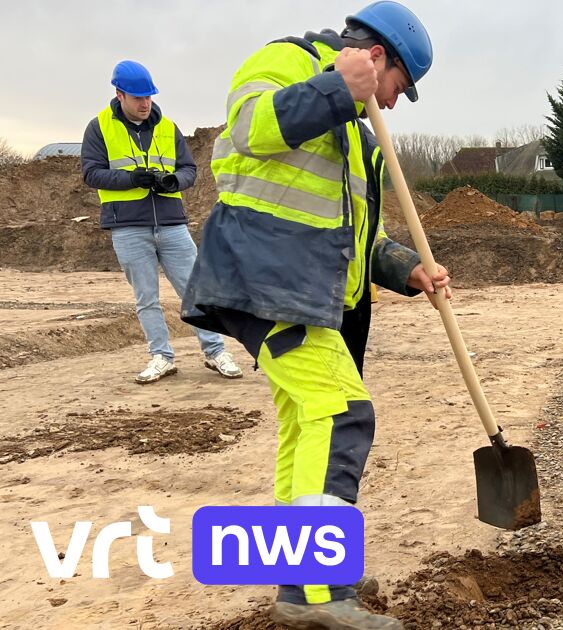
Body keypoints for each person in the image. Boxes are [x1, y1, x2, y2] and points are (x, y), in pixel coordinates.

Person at [181, 2, 446, 628]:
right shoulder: (287, 61)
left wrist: (406, 268)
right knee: (343, 411)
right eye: (400, 87)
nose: (396, 101)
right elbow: (248, 130)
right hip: (264, 277)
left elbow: (353, 234)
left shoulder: (360, 133)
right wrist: (336, 88)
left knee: (307, 423)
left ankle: (300, 567)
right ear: (378, 58)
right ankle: (317, 594)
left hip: (304, 292)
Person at [81, 60, 243, 384]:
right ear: (119, 95)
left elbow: (189, 170)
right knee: (146, 298)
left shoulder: (168, 128)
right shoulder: (99, 127)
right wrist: (131, 179)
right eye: (138, 97)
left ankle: (214, 351)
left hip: (171, 223)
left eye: (149, 97)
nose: (145, 103)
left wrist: (174, 182)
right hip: (127, 226)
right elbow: (91, 172)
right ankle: (161, 356)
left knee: (194, 290)